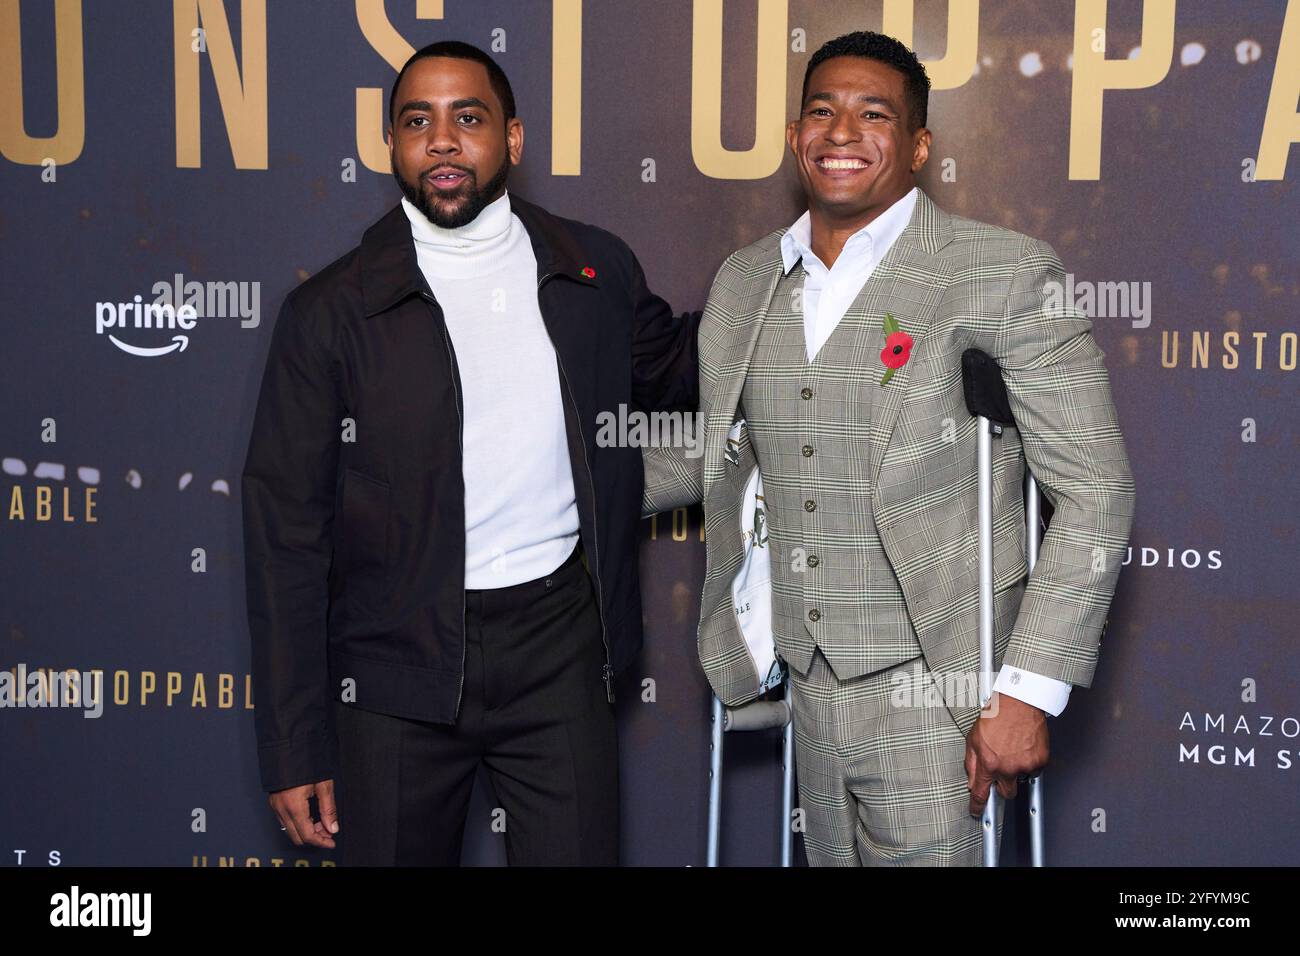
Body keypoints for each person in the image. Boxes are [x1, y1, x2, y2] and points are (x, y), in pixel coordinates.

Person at [643, 30, 1134, 865]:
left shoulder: (1002, 272)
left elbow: (1095, 491)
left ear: (918, 145)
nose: (841, 132)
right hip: (808, 686)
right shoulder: (746, 280)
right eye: (822, 112)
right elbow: (728, 447)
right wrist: (568, 481)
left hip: (945, 697)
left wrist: (1026, 692)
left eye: (873, 114)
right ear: (797, 136)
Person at [242, 40, 699, 865]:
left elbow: (682, 372)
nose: (443, 141)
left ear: (513, 141)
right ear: (392, 145)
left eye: (469, 118)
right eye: (418, 122)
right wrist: (294, 743)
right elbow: (285, 538)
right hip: (392, 665)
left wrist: (809, 281)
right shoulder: (329, 312)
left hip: (557, 646)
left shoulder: (594, 272)